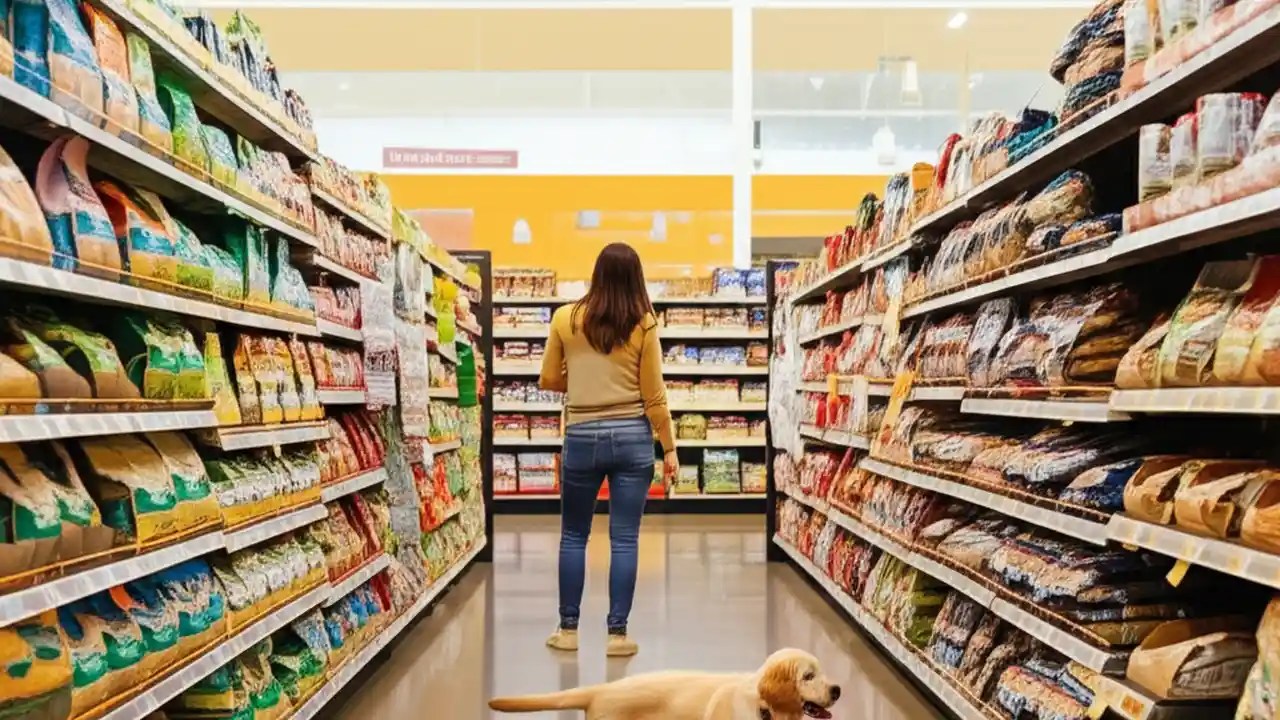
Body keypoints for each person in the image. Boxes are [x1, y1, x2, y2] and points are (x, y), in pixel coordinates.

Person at [538, 242, 677, 658]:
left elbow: (548, 379)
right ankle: (617, 635)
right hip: (633, 437)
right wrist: (668, 448)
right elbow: (654, 395)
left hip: (581, 435)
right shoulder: (645, 323)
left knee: (573, 536)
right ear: (636, 278)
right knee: (624, 540)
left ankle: (567, 631)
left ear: (596, 273)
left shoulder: (565, 318)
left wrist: (581, 383)